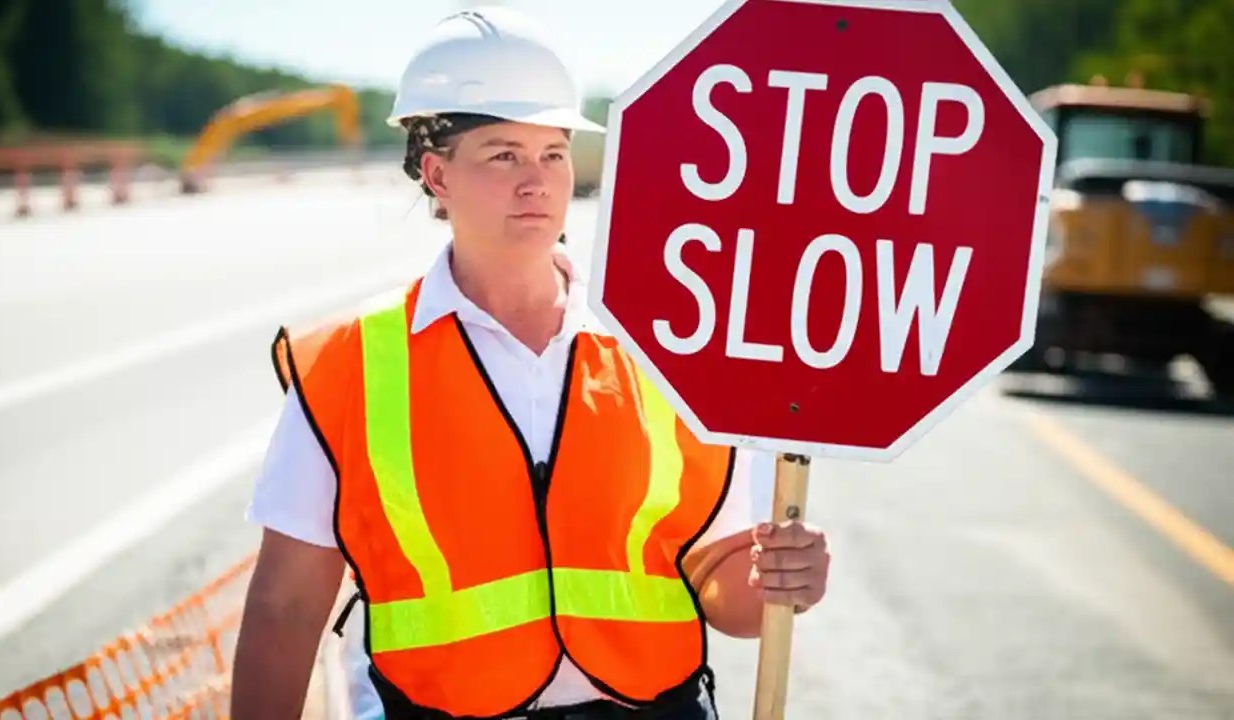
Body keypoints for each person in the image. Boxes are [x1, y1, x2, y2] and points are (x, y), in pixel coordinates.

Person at [230, 7, 831, 720]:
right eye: (503, 154)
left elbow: (722, 590)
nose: (537, 181)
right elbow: (285, 608)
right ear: (435, 173)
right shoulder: (346, 366)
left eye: (552, 153)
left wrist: (777, 583)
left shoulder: (662, 345)